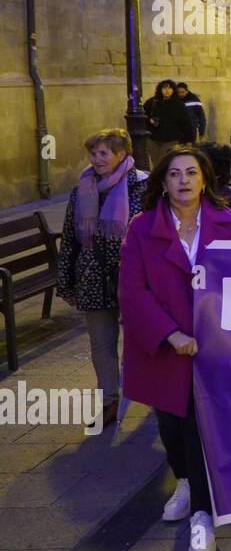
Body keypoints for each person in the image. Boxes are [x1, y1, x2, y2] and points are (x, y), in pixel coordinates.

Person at [118, 146, 231, 551]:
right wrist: (171, 335)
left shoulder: (227, 222)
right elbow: (132, 292)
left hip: (212, 348)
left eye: (192, 172)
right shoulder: (141, 227)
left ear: (205, 178)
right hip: (165, 346)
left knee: (197, 423)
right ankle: (185, 482)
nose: (184, 180)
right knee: (172, 422)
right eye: (175, 174)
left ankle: (203, 515)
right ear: (164, 181)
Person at [56, 129, 149, 427]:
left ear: (121, 154)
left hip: (133, 277)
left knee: (143, 340)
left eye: (103, 153)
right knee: (101, 343)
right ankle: (109, 400)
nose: (96, 159)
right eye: (93, 154)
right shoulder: (81, 189)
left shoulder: (144, 188)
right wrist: (66, 283)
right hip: (93, 277)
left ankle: (154, 394)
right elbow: (70, 238)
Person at [144, 79, 196, 166]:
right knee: (156, 164)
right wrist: (150, 120)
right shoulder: (152, 102)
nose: (167, 90)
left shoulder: (178, 105)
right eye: (164, 88)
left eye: (170, 88)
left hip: (171, 140)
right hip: (154, 139)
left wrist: (189, 140)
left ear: (173, 90)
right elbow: (143, 116)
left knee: (164, 162)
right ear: (160, 89)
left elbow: (185, 123)